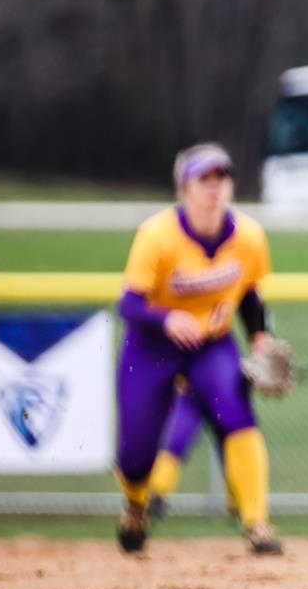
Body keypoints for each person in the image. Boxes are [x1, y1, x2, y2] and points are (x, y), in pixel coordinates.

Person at [113, 143, 281, 556]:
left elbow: (249, 294)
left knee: (237, 417)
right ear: (184, 188)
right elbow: (129, 303)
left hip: (211, 345)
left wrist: (259, 336)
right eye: (203, 178)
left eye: (221, 177)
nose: (214, 187)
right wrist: (167, 318)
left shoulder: (249, 237)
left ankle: (256, 523)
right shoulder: (158, 235)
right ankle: (136, 506)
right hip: (151, 347)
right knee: (135, 452)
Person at [146, 282, 277, 519]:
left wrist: (260, 346)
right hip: (201, 377)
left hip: (210, 374)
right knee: (220, 436)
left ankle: (159, 492)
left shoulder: (230, 274)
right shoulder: (185, 287)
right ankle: (240, 505)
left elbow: (252, 304)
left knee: (219, 438)